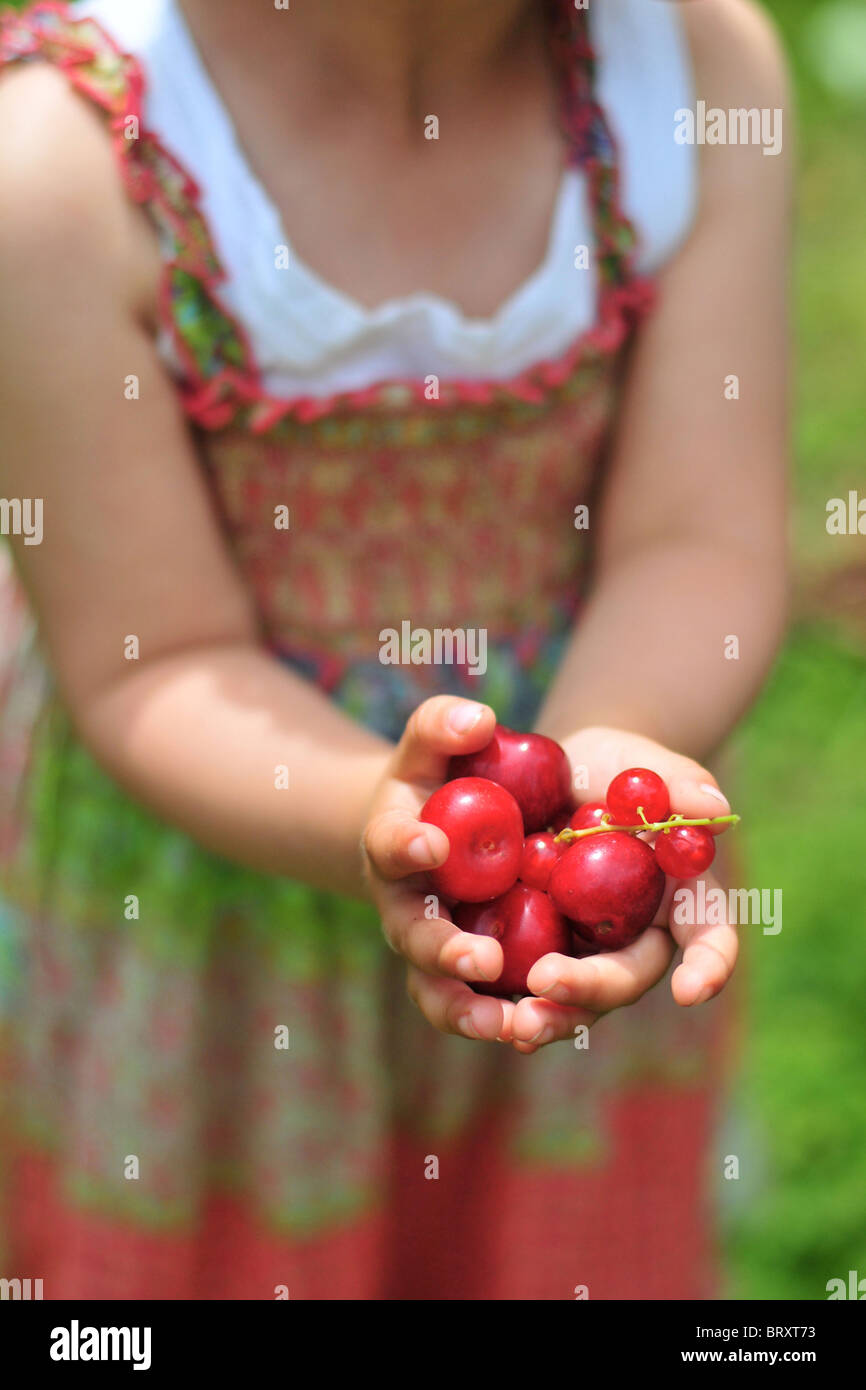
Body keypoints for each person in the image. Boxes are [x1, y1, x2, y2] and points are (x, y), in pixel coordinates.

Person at [0, 0, 789, 1299]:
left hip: (552, 883)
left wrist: (588, 761)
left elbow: (692, 545)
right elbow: (154, 659)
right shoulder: (67, 169)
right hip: (227, 910)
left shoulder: (695, 74)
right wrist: (385, 816)